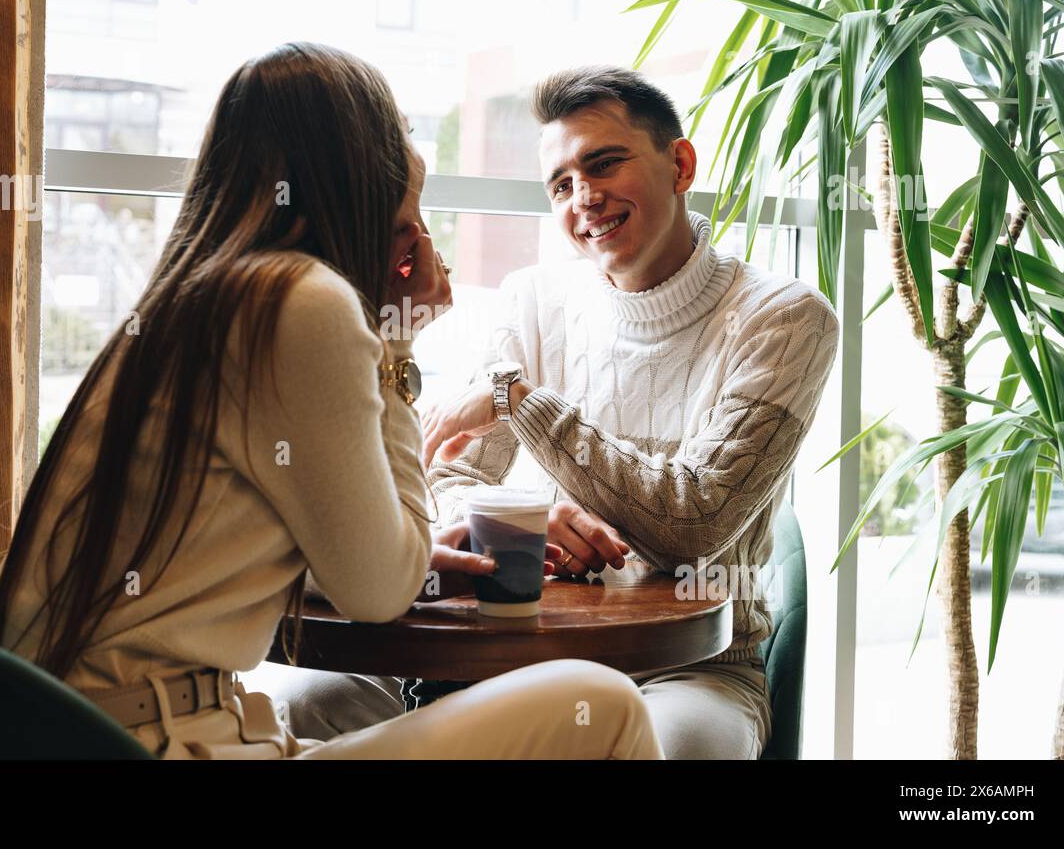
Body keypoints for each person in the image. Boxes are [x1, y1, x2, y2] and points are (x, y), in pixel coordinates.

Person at [0, 43, 662, 760]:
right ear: (359, 168)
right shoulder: (305, 303)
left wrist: (411, 554)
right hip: (157, 741)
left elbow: (288, 549)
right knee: (601, 703)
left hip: (86, 729)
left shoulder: (197, 297)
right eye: (399, 142)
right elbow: (380, 593)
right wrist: (397, 341)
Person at [280, 65, 839, 759]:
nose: (585, 198)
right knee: (306, 704)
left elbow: (694, 525)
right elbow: (449, 478)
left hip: (684, 669)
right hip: (495, 653)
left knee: (681, 750)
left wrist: (521, 400)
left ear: (681, 164)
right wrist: (520, 522)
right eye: (561, 185)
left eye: (604, 165)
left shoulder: (785, 320)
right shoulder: (532, 300)